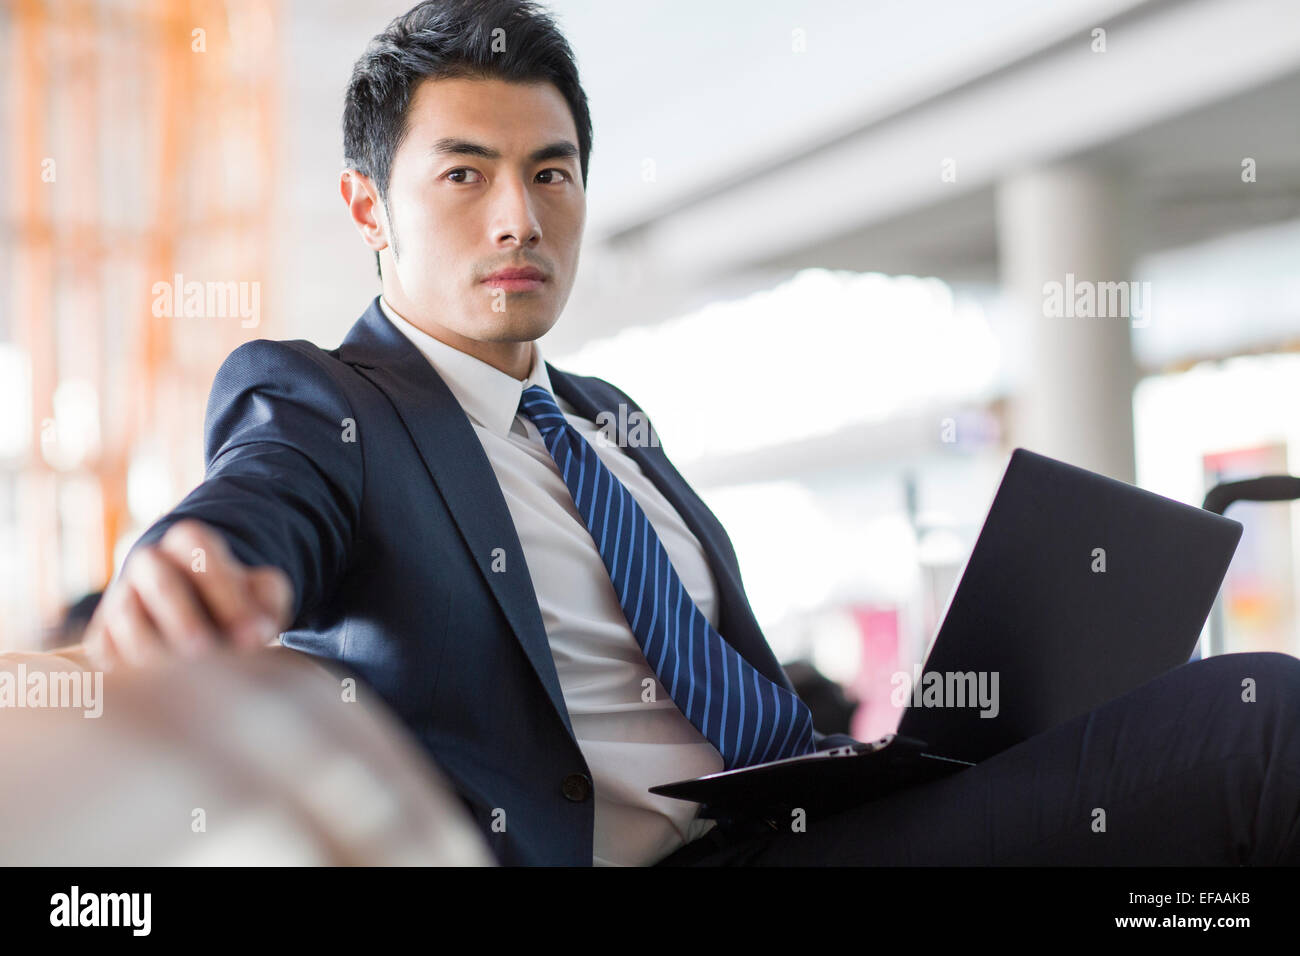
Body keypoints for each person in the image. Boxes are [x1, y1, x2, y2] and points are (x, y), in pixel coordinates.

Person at [85, 0, 1300, 867]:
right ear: (370, 205)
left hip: (818, 809)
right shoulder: (329, 402)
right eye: (464, 175)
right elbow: (263, 490)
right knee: (1251, 724)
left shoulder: (608, 418)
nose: (519, 216)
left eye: (551, 173)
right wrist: (191, 555)